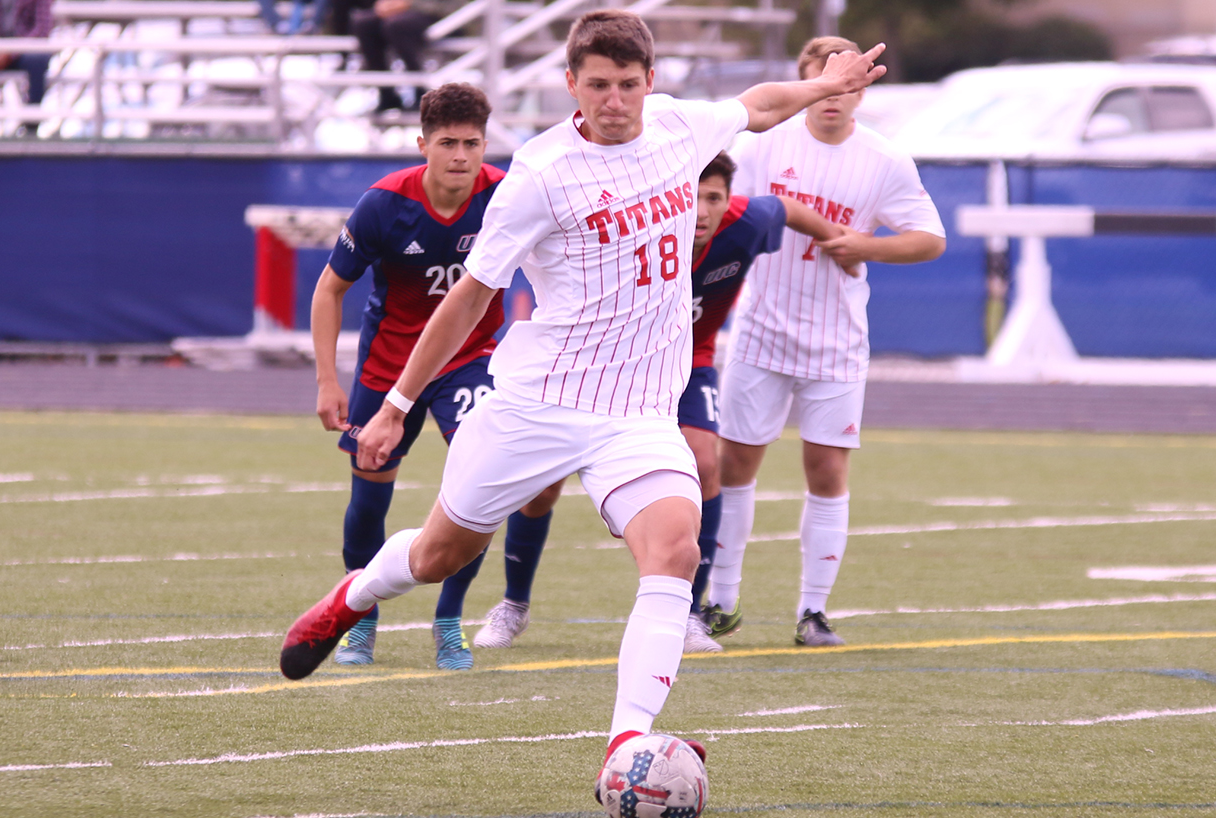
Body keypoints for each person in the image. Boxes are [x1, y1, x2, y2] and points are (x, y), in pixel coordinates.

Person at [279, 8, 884, 772]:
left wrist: (824, 84)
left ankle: (628, 742)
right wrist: (396, 405)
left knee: (673, 550)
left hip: (638, 416)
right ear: (571, 84)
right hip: (539, 403)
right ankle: (354, 597)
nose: (614, 100)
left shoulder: (677, 128)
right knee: (438, 554)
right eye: (597, 84)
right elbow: (467, 297)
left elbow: (757, 106)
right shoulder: (539, 172)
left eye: (628, 84)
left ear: (650, 83)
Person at [470, 152, 857, 655]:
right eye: (691, 196)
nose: (699, 210)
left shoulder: (746, 224)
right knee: (541, 488)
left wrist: (841, 241)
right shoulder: (638, 226)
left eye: (713, 198)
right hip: (604, 364)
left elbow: (784, 207)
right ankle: (513, 605)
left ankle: (690, 616)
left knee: (705, 466)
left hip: (686, 364)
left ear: (727, 201)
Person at [703, 36, 946, 648]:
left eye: (849, 85)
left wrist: (868, 246)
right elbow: (732, 208)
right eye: (824, 82)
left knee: (826, 470)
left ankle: (813, 612)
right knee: (735, 465)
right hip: (760, 331)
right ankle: (722, 600)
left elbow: (929, 238)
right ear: (805, 84)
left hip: (836, 342)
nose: (836, 96)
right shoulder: (763, 144)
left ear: (863, 89)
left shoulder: (884, 160)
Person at [311, 81, 560, 671]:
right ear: (422, 143)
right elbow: (330, 289)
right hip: (387, 365)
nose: (460, 156)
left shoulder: (507, 196)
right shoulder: (383, 205)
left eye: (472, 143)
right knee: (369, 497)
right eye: (447, 143)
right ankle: (360, 619)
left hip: (469, 361)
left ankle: (449, 619)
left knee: (481, 486)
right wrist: (326, 379)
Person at [352, 0, 456, 113]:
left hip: (436, 13)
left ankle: (421, 91)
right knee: (363, 23)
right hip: (398, 13)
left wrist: (409, 4)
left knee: (395, 25)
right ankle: (386, 93)